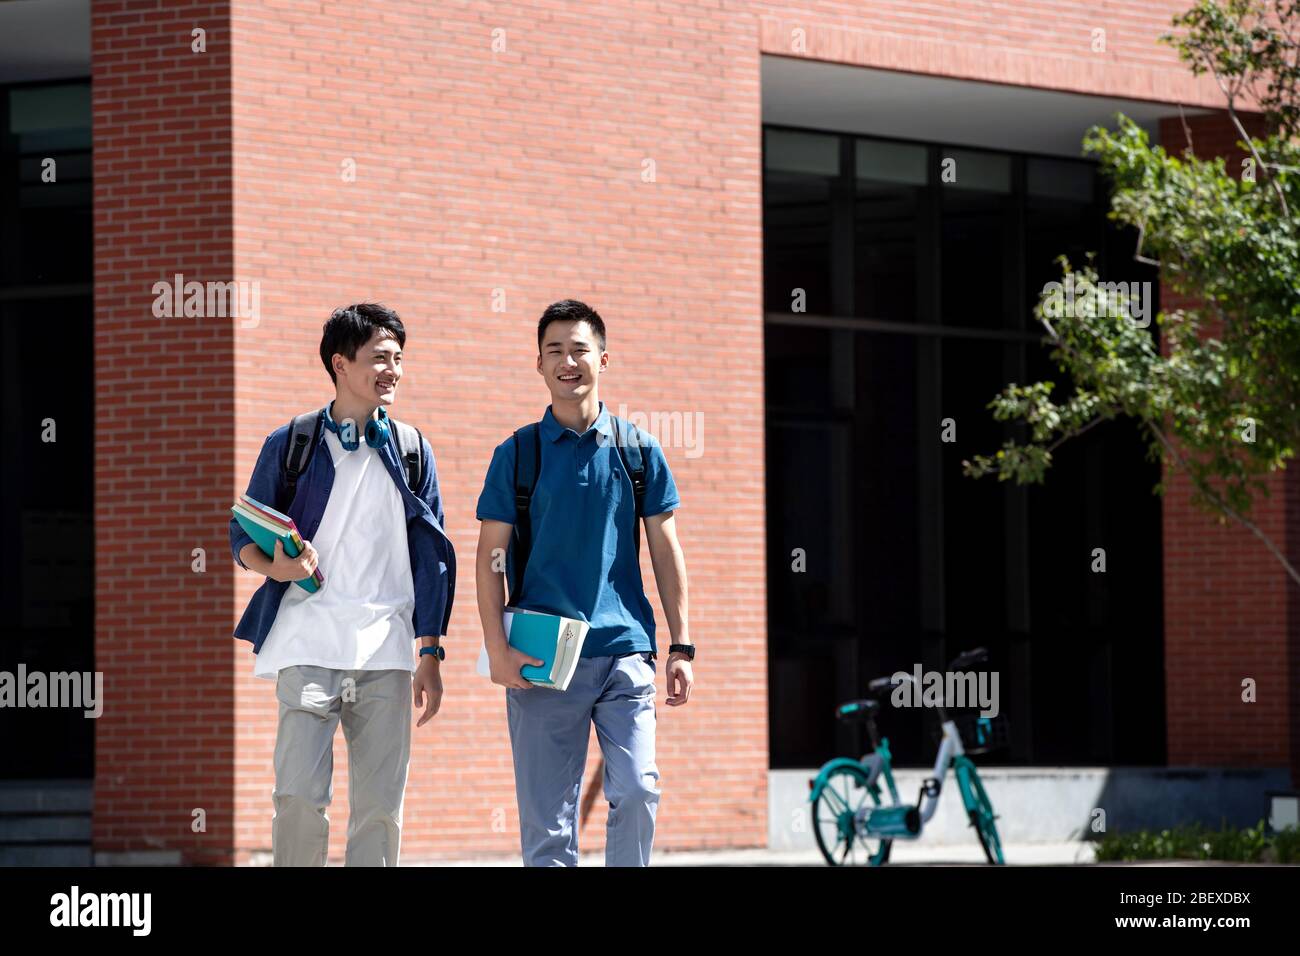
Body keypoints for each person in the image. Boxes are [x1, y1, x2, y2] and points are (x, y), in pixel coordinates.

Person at [229, 303, 454, 866]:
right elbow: (243, 532)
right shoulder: (294, 442)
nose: (394, 370)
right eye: (380, 357)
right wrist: (278, 568)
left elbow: (433, 557)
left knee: (380, 808)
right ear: (340, 363)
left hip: (386, 648)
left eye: (399, 359)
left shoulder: (410, 448)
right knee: (299, 797)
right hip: (308, 644)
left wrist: (431, 649)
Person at [475, 299, 693, 867]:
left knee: (640, 790)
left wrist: (681, 645)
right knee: (549, 829)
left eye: (579, 349)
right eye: (555, 351)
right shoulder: (517, 454)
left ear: (603, 358)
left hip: (625, 652)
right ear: (539, 364)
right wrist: (498, 652)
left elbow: (666, 551)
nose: (567, 361)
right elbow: (488, 558)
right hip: (542, 659)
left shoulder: (638, 450)